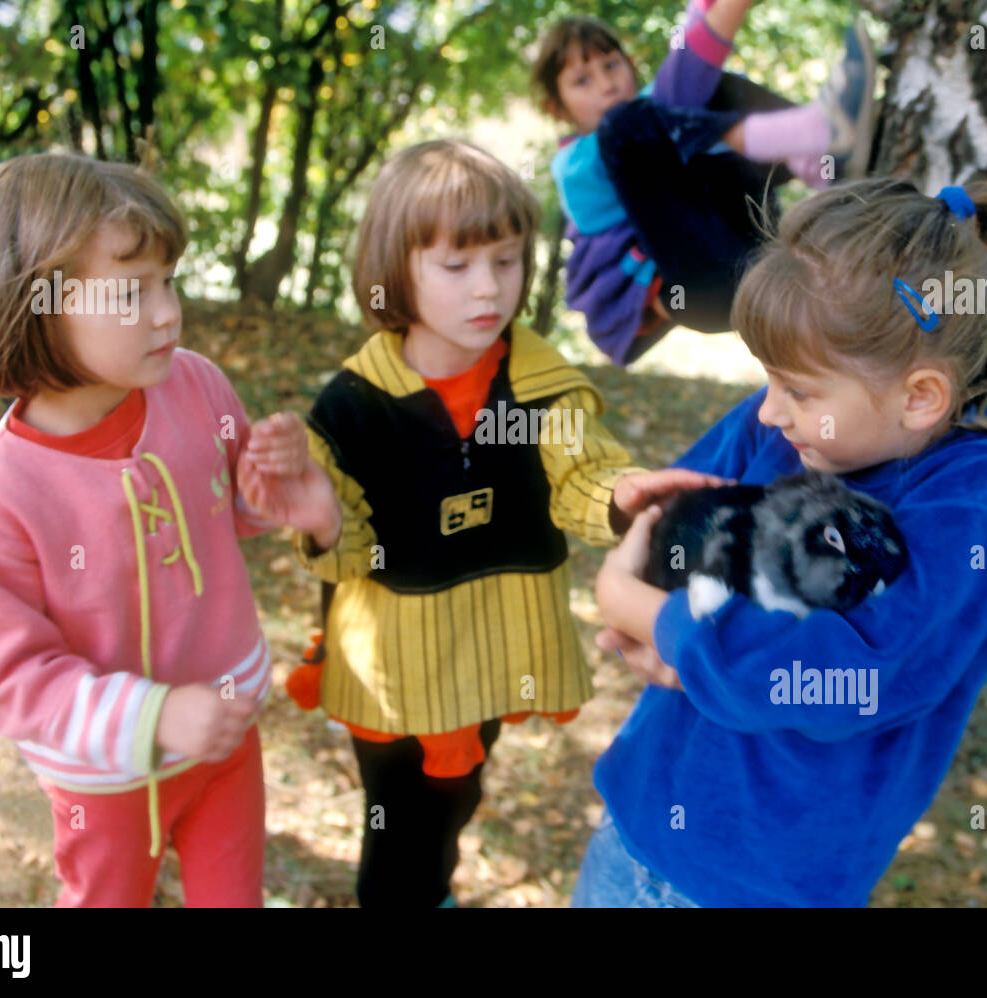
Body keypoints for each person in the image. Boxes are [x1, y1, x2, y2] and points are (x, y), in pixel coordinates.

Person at [574, 178, 987, 906]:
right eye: (767, 380)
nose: (770, 410)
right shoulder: (775, 424)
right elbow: (675, 533)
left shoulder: (980, 498)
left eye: (797, 389)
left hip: (762, 882)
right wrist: (642, 520)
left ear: (920, 396)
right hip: (640, 815)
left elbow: (857, 676)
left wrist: (657, 622)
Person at [286, 139, 721, 907]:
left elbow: (581, 474)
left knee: (455, 803)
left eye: (508, 261)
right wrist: (321, 518)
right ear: (397, 269)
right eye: (456, 267)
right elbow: (342, 548)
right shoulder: (354, 407)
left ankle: (435, 889)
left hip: (487, 653)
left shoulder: (536, 383)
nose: (488, 289)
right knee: (399, 830)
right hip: (393, 667)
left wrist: (624, 495)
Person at [0, 152, 339, 907]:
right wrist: (155, 716)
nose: (166, 312)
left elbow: (223, 502)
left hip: (226, 736)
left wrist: (296, 499)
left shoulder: (194, 384)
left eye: (169, 283)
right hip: (107, 781)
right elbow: (10, 682)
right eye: (131, 292)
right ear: (35, 306)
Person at [532, 0, 875, 365]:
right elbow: (682, 73)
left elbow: (687, 44)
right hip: (705, 286)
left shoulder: (646, 117)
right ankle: (820, 132)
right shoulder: (575, 168)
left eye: (612, 65)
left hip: (746, 248)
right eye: (583, 80)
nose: (606, 84)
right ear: (557, 107)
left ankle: (829, 164)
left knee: (711, 90)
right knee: (639, 119)